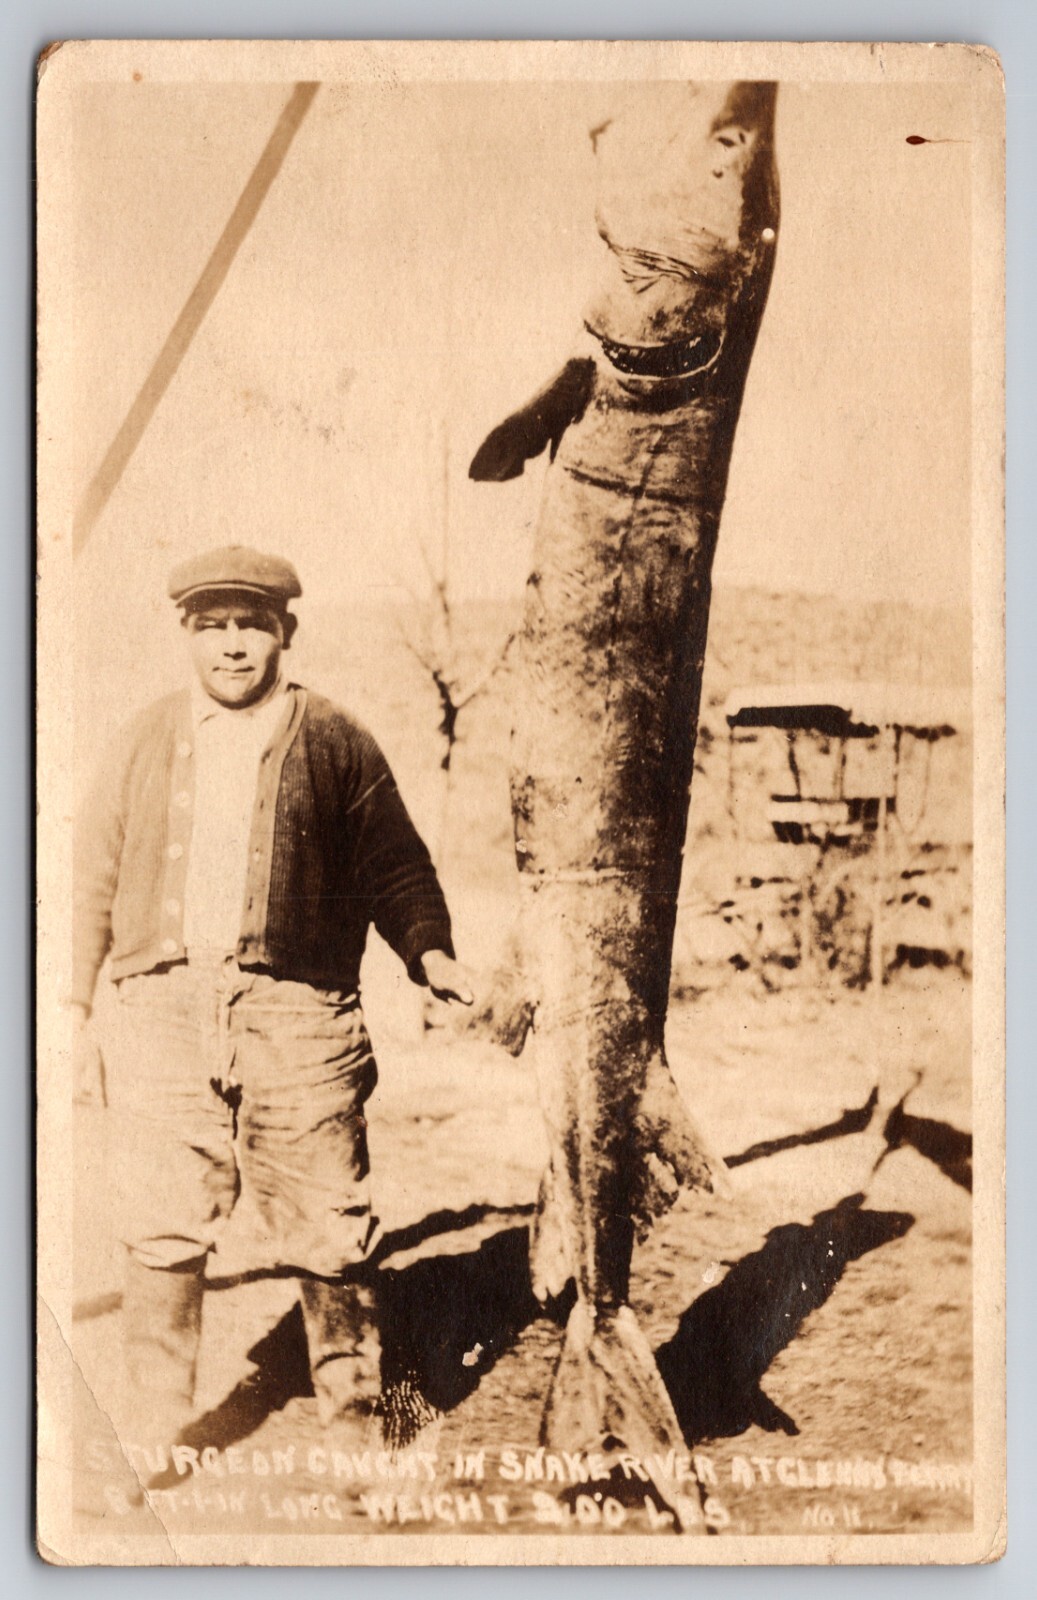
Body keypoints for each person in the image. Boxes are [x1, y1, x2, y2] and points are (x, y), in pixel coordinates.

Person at [71, 545, 474, 1448]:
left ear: (285, 632)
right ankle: (152, 1435)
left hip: (301, 1016)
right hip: (160, 1013)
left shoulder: (334, 739)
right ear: (186, 635)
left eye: (251, 626)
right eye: (211, 627)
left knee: (328, 1225)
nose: (231, 646)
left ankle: (357, 1429)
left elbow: (395, 864)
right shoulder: (142, 739)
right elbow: (91, 874)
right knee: (160, 1222)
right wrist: (69, 1005)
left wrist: (431, 954)